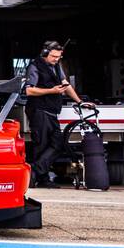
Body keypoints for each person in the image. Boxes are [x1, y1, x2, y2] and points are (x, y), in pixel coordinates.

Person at [24, 40, 85, 188]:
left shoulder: (57, 66)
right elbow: (29, 90)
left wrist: (79, 101)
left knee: (58, 144)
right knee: (42, 146)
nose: (56, 59)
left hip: (51, 112)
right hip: (39, 111)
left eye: (59, 57)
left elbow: (65, 85)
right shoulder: (34, 66)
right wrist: (52, 91)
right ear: (45, 54)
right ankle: (42, 179)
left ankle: (35, 172)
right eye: (53, 56)